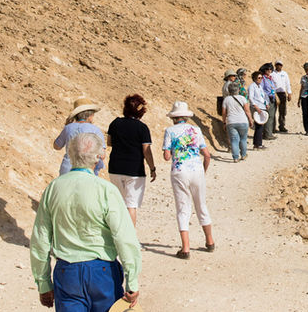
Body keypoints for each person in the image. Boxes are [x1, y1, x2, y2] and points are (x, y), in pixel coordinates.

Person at [30, 132, 141, 312]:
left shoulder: (54, 188)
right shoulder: (106, 190)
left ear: (70, 154)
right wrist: (132, 282)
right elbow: (124, 238)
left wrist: (43, 283)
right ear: (99, 157)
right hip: (102, 272)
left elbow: (40, 239)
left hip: (67, 272)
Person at [162, 101, 215, 259]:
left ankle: (185, 248)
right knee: (201, 205)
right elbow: (207, 155)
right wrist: (203, 171)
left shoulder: (170, 131)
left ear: (174, 118)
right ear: (186, 117)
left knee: (183, 208)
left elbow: (166, 156)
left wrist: (173, 151)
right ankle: (210, 241)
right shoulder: (196, 130)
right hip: (196, 170)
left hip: (179, 171)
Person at [107, 94, 156, 226]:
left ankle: (117, 233)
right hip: (134, 170)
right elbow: (146, 151)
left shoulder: (115, 123)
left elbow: (109, 142)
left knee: (119, 203)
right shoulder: (142, 128)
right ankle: (130, 236)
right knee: (131, 205)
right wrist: (152, 168)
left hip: (115, 168)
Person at [53, 97, 106, 175]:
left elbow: (56, 146)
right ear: (90, 115)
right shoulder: (95, 130)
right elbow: (102, 155)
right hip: (87, 171)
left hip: (67, 169)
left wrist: (66, 126)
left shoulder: (68, 128)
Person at [220, 81, 253, 162]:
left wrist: (224, 122)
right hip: (243, 121)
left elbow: (224, 113)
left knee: (234, 140)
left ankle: (235, 157)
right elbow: (247, 111)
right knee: (243, 139)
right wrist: (250, 119)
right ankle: (243, 155)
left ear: (229, 90)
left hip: (231, 122)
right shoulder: (242, 98)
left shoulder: (226, 100)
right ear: (238, 90)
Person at [247, 71, 268, 149]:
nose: (260, 79)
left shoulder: (260, 86)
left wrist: (266, 103)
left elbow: (263, 97)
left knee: (260, 126)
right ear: (255, 78)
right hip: (257, 107)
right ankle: (258, 144)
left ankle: (257, 143)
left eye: (261, 78)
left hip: (262, 107)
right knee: (259, 126)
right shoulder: (252, 87)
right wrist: (256, 107)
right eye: (259, 78)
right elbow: (251, 98)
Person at [259, 62, 278, 141]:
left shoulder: (270, 78)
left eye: (270, 69)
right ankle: (268, 134)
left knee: (271, 116)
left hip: (272, 98)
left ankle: (267, 132)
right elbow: (261, 90)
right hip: (267, 99)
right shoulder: (263, 79)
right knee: (269, 116)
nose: (269, 71)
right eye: (268, 69)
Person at [273, 61, 292, 133]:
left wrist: (289, 93)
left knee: (282, 111)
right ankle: (273, 127)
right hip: (275, 94)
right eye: (277, 65)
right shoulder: (272, 74)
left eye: (280, 65)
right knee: (273, 110)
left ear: (282, 66)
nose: (279, 66)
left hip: (283, 93)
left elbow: (287, 84)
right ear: (275, 65)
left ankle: (282, 126)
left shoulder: (284, 74)